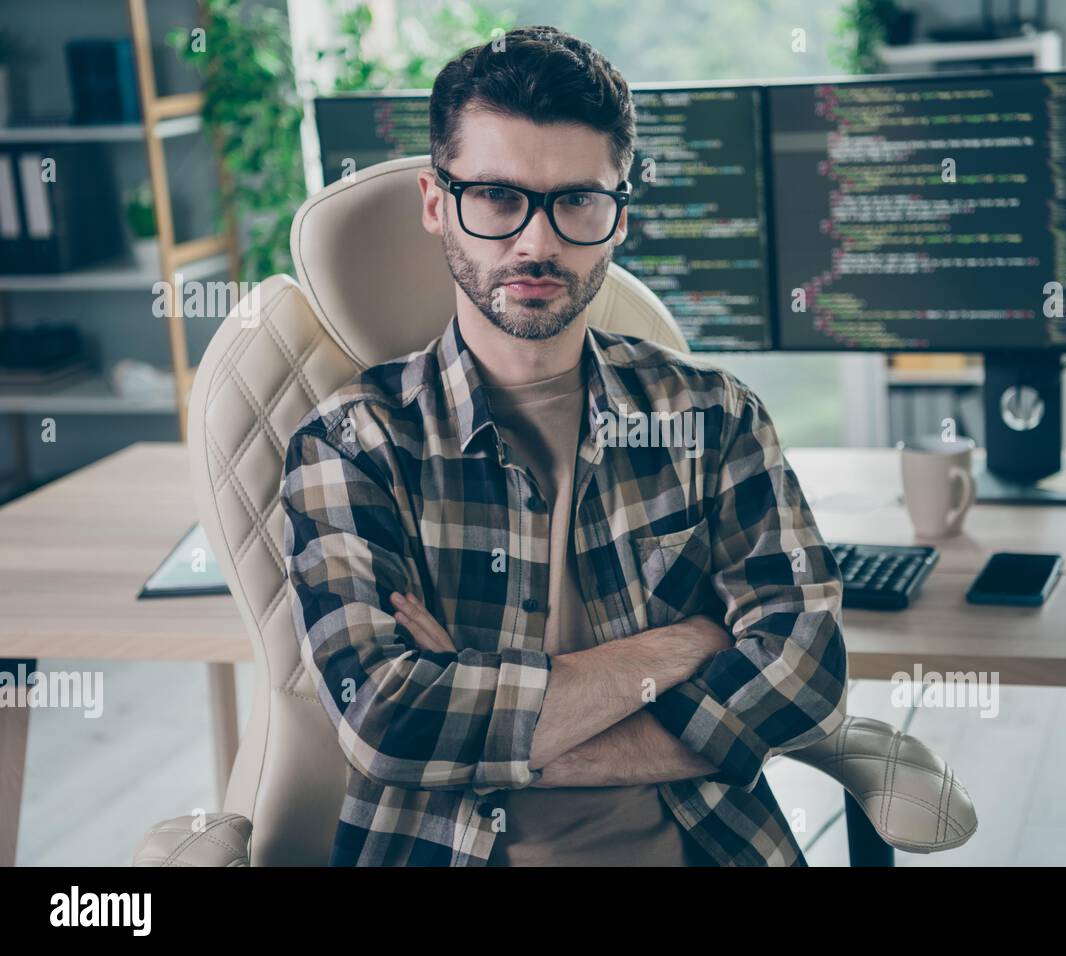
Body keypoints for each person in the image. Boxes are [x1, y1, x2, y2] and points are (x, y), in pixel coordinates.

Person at [281, 24, 847, 867]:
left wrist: (494, 731)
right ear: (438, 205)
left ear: (619, 218)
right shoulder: (351, 445)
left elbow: (807, 677)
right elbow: (389, 721)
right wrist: (686, 645)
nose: (537, 243)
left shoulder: (715, 416)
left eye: (578, 200)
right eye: (498, 197)